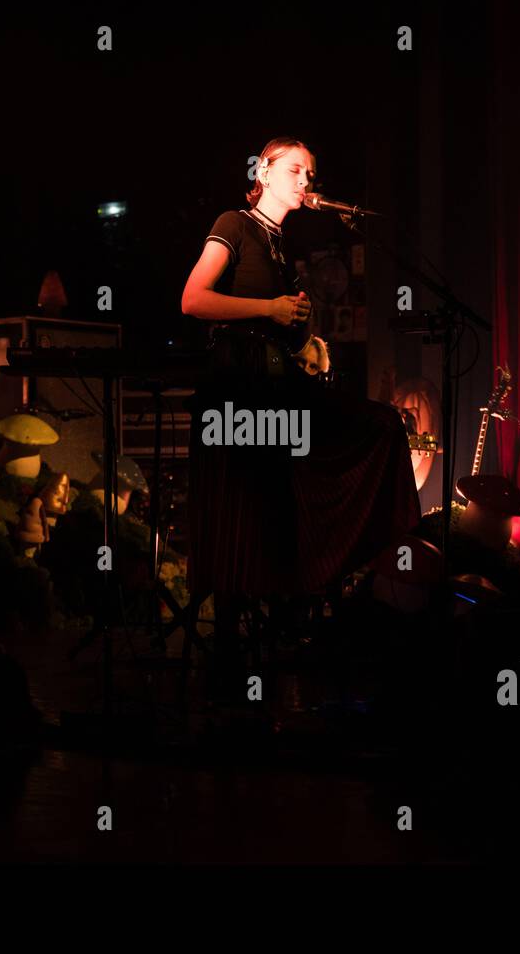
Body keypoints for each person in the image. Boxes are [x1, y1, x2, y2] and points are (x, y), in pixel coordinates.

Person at [181, 137, 421, 686]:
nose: (306, 181)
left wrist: (305, 339)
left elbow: (275, 325)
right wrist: (270, 308)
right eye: (295, 170)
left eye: (310, 173)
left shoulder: (279, 246)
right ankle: (241, 644)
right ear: (263, 172)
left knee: (381, 427)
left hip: (274, 384)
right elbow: (194, 299)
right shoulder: (235, 224)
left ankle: (329, 590)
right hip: (239, 389)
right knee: (248, 508)